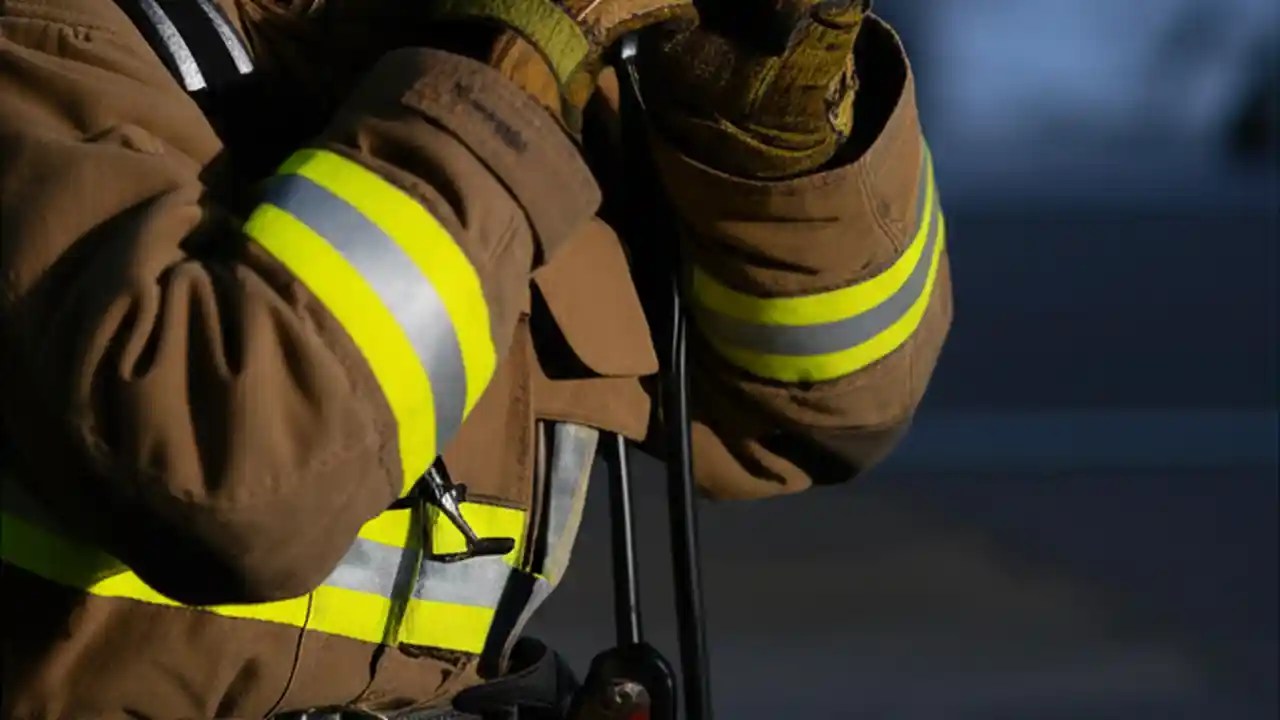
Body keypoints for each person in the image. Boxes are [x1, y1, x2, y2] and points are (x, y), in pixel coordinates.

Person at [0, 0, 953, 717]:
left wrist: (765, 141)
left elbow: (821, 409)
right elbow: (233, 479)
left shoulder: (501, 49)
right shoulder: (51, 40)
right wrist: (507, 82)